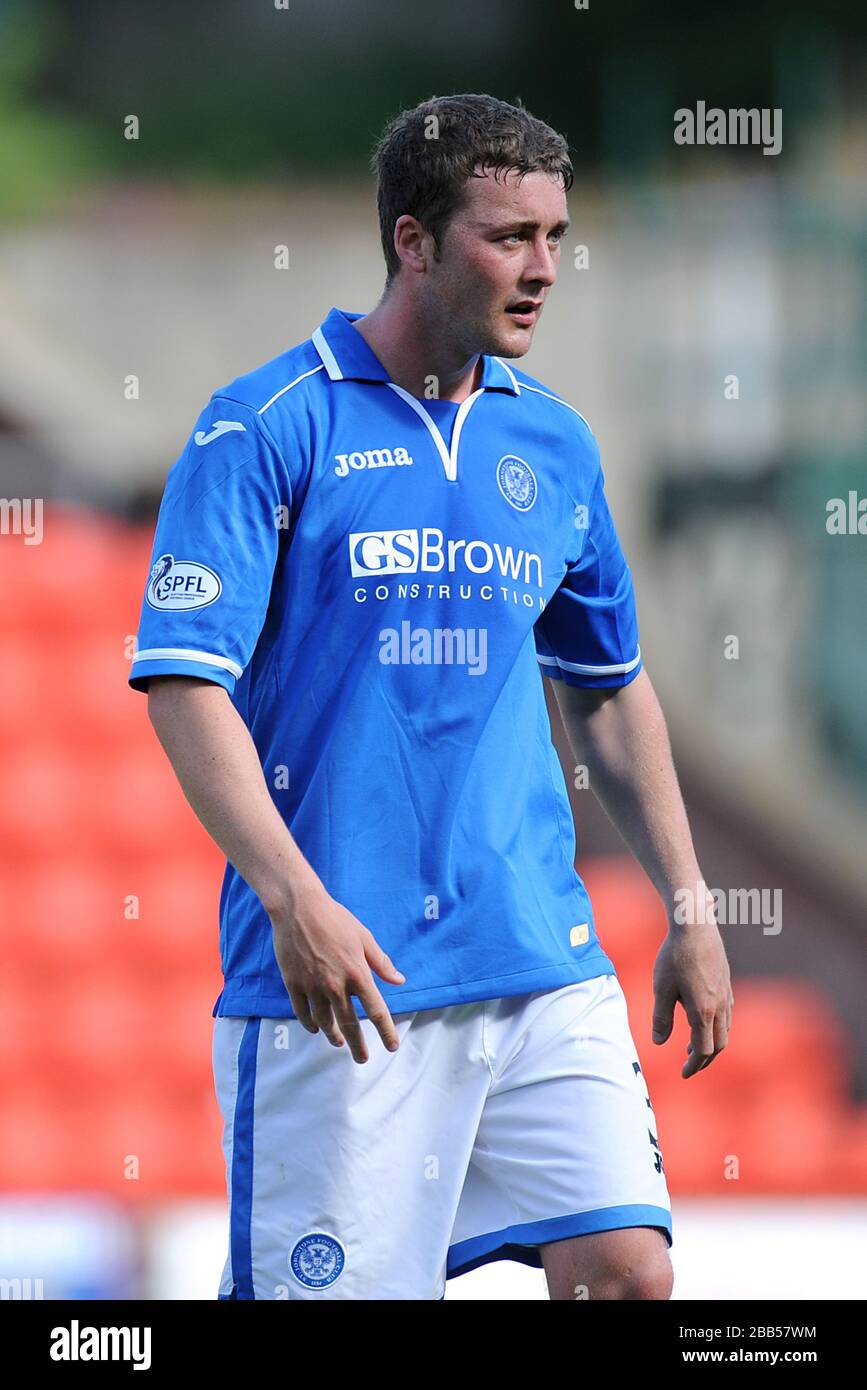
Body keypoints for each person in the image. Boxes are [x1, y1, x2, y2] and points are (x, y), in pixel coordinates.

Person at [129, 93, 732, 1301]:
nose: (545, 268)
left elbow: (609, 691)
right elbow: (184, 686)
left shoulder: (554, 444)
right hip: (350, 982)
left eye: (557, 237)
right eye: (510, 237)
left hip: (537, 953)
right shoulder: (265, 425)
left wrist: (691, 904)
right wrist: (295, 897)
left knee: (631, 1275)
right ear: (414, 241)